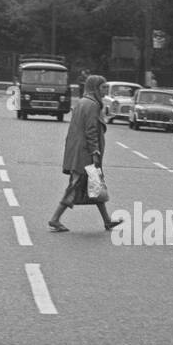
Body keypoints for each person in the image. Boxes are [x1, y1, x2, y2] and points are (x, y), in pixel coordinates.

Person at [48, 75, 123, 232]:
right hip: (85, 155)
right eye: (102, 87)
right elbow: (91, 131)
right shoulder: (92, 105)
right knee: (75, 186)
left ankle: (107, 221)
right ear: (95, 88)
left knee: (96, 187)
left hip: (79, 152)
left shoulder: (82, 102)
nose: (104, 91)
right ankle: (55, 219)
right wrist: (95, 152)